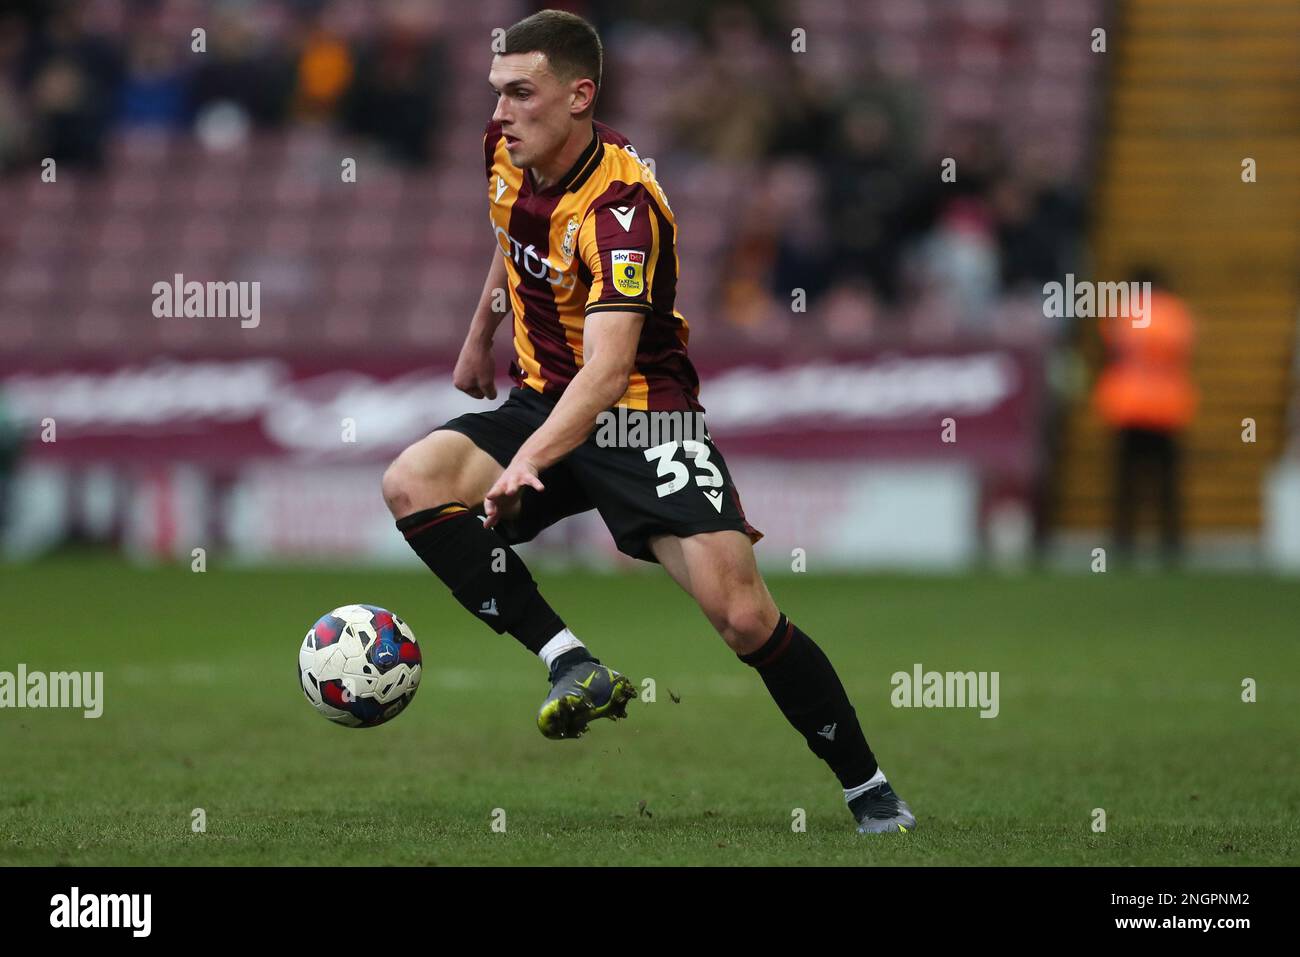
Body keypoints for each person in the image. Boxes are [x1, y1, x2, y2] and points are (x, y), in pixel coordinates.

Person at [380, 10, 915, 834]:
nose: (501, 112)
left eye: (521, 93)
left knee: (743, 616)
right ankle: (571, 662)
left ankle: (868, 786)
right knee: (411, 481)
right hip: (543, 398)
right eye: (496, 92)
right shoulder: (506, 149)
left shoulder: (622, 209)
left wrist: (528, 459)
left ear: (578, 96)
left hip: (641, 418)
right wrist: (479, 334)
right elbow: (510, 234)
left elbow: (607, 370)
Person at [1092, 267, 1197, 562]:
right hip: (1167, 406)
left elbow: (1110, 353)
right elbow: (1184, 353)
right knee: (1166, 483)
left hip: (1128, 405)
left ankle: (1123, 541)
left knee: (1126, 481)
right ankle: (1171, 543)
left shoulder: (1124, 311)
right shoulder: (1175, 312)